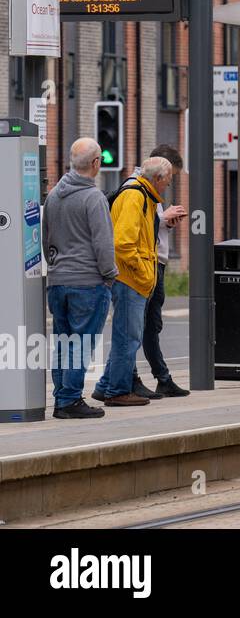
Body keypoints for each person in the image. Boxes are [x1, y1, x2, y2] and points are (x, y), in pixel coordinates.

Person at [44, 138, 117, 419]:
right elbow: (103, 244)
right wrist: (109, 276)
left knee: (62, 341)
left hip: (58, 280)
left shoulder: (53, 195)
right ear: (96, 163)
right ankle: (70, 400)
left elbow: (47, 236)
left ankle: (61, 396)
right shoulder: (93, 197)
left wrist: (55, 267)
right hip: (88, 282)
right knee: (82, 343)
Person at [92, 157, 173, 407]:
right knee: (128, 337)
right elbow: (123, 243)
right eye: (168, 181)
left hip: (131, 278)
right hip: (130, 279)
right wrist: (143, 271)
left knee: (125, 335)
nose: (168, 186)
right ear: (158, 179)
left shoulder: (143, 196)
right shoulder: (135, 197)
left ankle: (105, 385)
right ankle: (117, 390)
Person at [129, 144, 189, 399]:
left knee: (150, 324)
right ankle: (129, 379)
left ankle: (162, 378)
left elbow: (151, 226)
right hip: (145, 265)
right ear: (159, 170)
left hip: (157, 262)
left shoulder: (148, 190)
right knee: (134, 325)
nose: (169, 184)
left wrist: (166, 222)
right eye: (170, 177)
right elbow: (132, 230)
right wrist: (164, 218)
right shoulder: (136, 189)